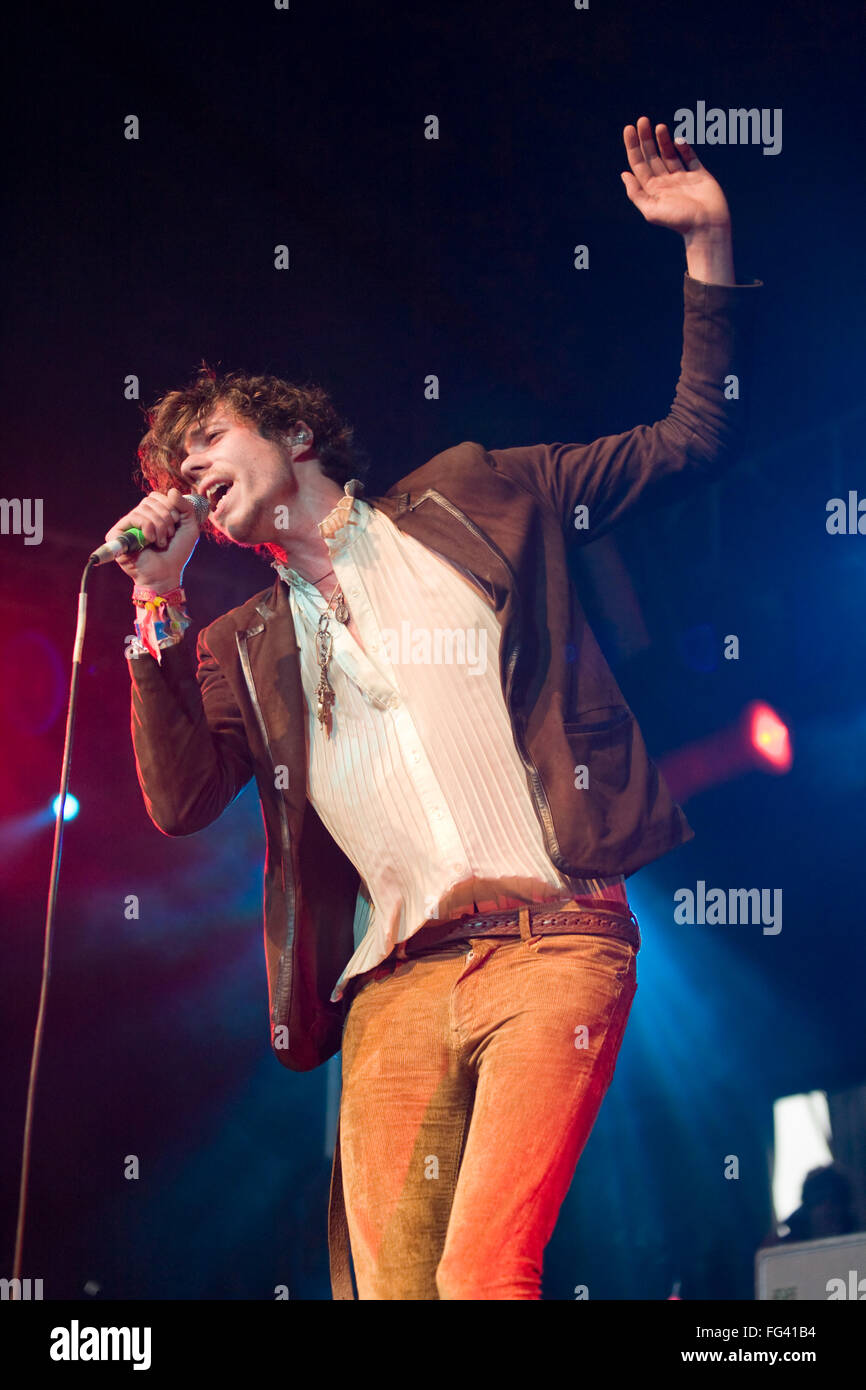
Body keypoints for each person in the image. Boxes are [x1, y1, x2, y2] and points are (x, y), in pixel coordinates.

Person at [108, 117, 762, 1299]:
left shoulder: (476, 494)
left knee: (479, 1275)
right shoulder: (235, 644)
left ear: (295, 434)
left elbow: (691, 437)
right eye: (171, 474)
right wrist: (153, 613)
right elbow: (178, 802)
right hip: (392, 985)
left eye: (205, 442)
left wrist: (705, 246)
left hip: (554, 943)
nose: (186, 475)